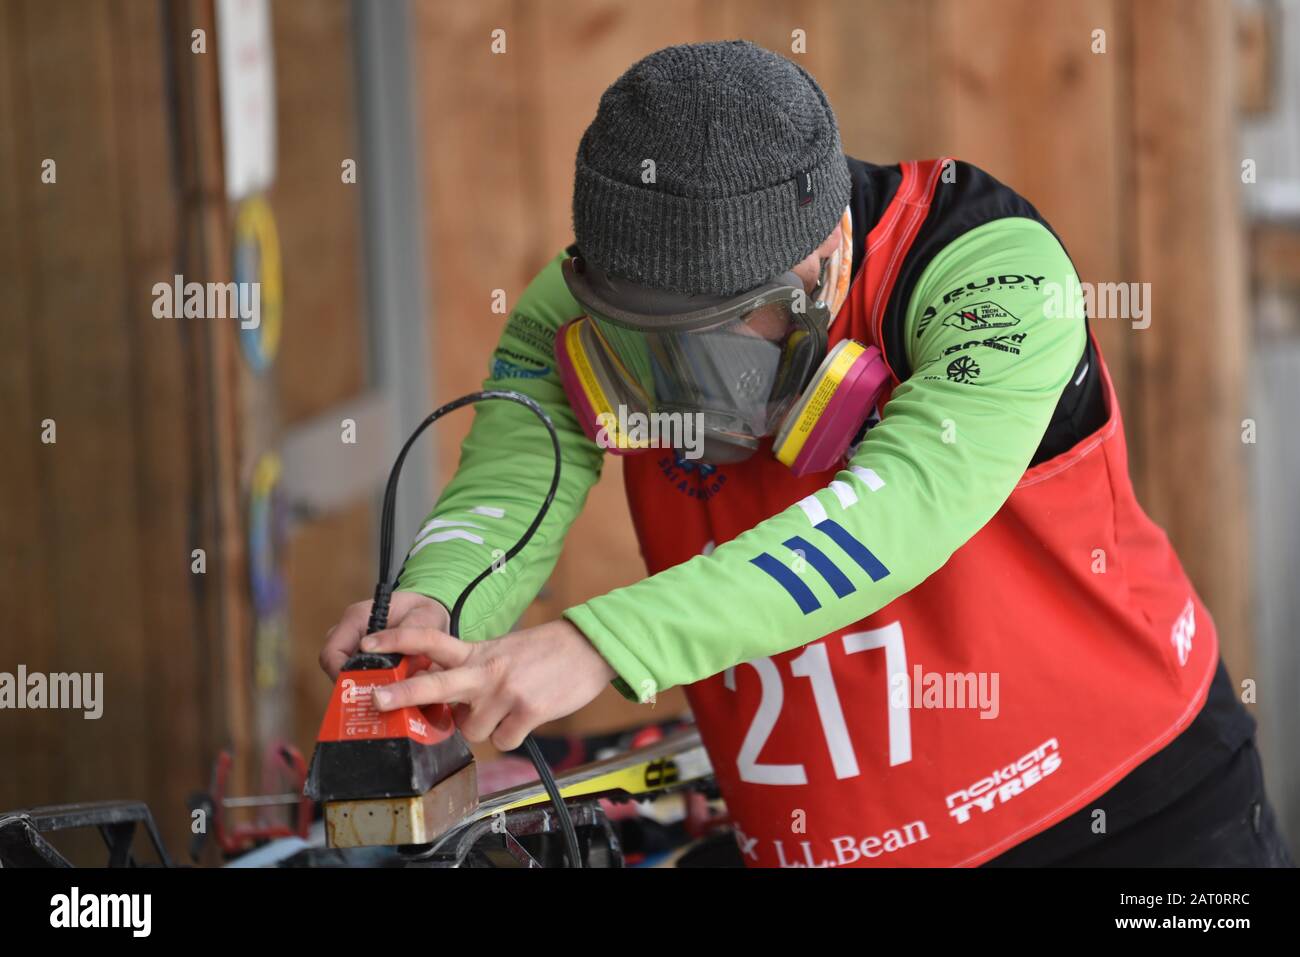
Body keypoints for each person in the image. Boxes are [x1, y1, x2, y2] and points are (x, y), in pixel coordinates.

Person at [320, 41, 1291, 867]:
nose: (684, 385)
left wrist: (600, 644)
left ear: (829, 252)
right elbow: (509, 484)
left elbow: (899, 508)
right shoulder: (582, 309)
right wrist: (433, 612)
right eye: (642, 342)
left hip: (1128, 825)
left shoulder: (989, 271)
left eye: (727, 330)